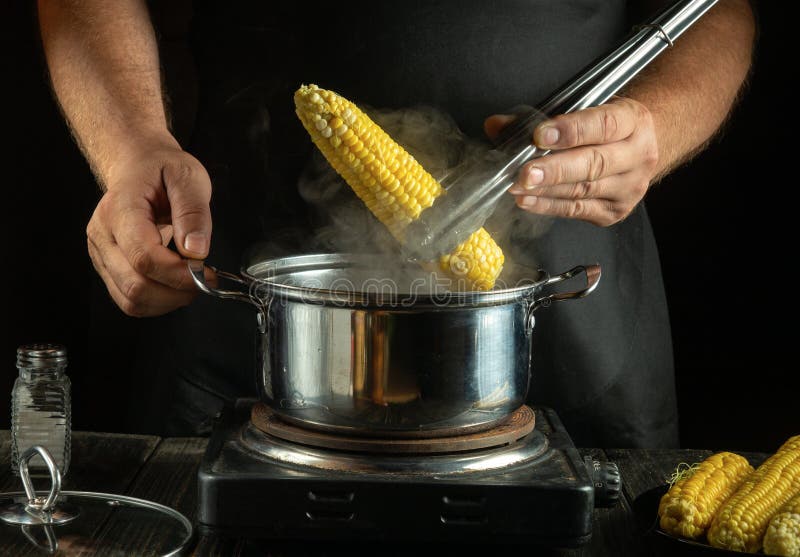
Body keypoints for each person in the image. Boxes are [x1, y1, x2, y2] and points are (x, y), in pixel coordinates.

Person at [37, 1, 755, 446]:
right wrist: (132, 145)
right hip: (253, 309)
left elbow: (718, 10)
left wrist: (654, 124)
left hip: (568, 317)